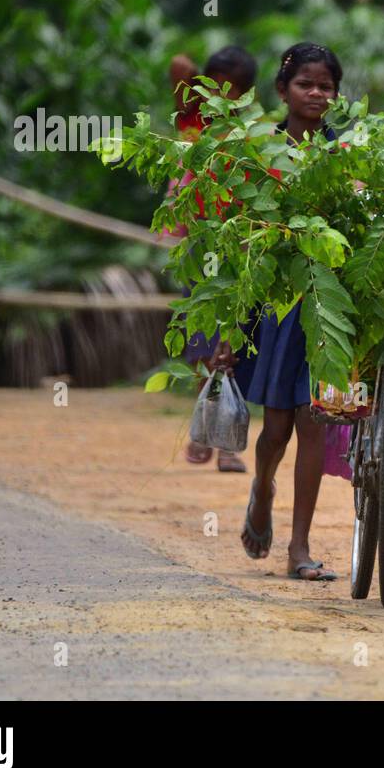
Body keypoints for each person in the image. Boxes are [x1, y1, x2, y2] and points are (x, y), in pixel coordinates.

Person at [234, 42, 344, 580]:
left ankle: (299, 547)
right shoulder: (260, 151)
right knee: (276, 429)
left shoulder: (346, 154)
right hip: (278, 302)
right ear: (283, 91)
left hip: (327, 304)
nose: (317, 94)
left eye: (326, 86)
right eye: (306, 84)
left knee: (314, 420)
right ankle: (262, 487)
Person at [168, 46, 258, 472]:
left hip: (242, 247)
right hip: (200, 247)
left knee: (235, 343)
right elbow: (178, 65)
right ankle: (204, 429)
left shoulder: (253, 135)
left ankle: (229, 443)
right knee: (204, 343)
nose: (220, 96)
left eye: (230, 90)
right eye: (214, 86)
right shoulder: (195, 122)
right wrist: (202, 82)